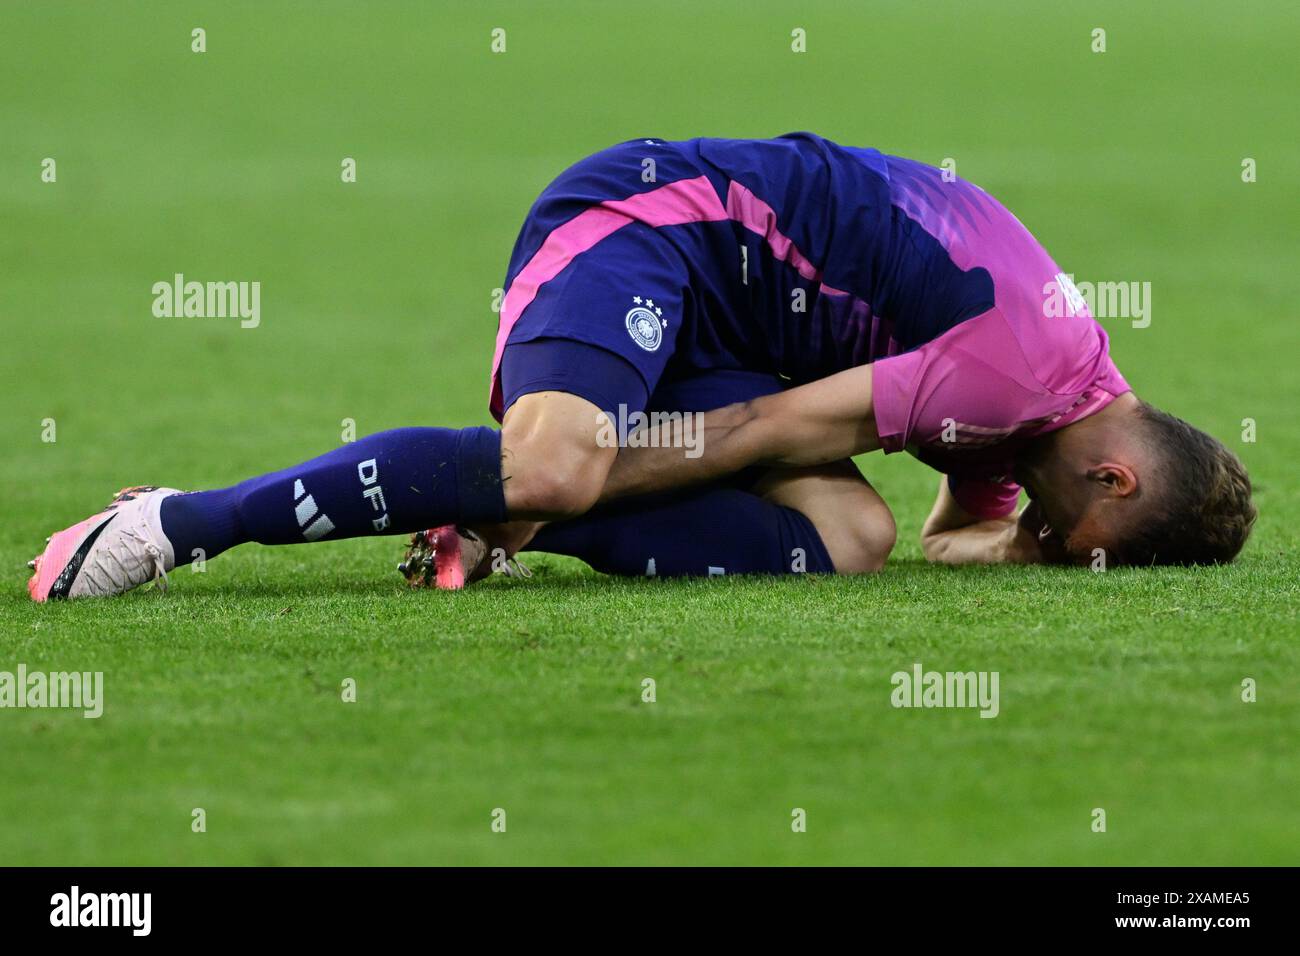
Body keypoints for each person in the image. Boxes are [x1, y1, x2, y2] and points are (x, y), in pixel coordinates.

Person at [27, 134, 1254, 601]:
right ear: (1119, 479)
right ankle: (181, 522)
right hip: (655, 225)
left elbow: (939, 539)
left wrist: (1025, 543)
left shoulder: (1031, 429)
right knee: (559, 467)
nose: (1055, 539)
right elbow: (772, 427)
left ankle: (497, 521)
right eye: (1083, 539)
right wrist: (539, 484)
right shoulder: (1019, 367)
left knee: (850, 532)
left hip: (731, 331)